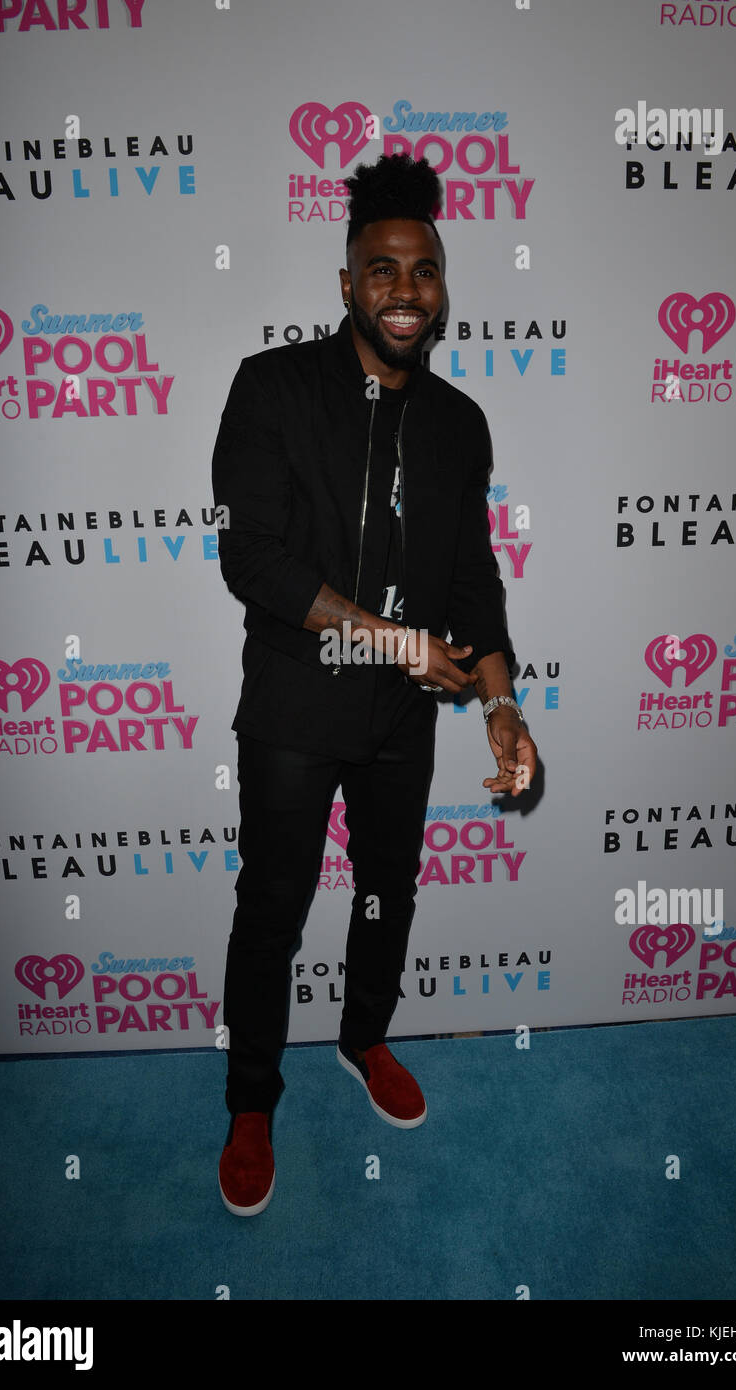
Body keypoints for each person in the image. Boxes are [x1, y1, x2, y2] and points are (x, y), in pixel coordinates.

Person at [211, 152, 537, 1216]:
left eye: (425, 270)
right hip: (297, 709)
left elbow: (471, 583)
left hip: (403, 720)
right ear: (346, 281)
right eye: (382, 267)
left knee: (386, 891)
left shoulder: (457, 422)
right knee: (272, 908)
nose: (406, 289)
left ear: (443, 286)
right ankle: (252, 1098)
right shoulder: (272, 387)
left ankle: (362, 1039)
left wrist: (500, 710)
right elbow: (251, 560)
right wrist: (393, 641)